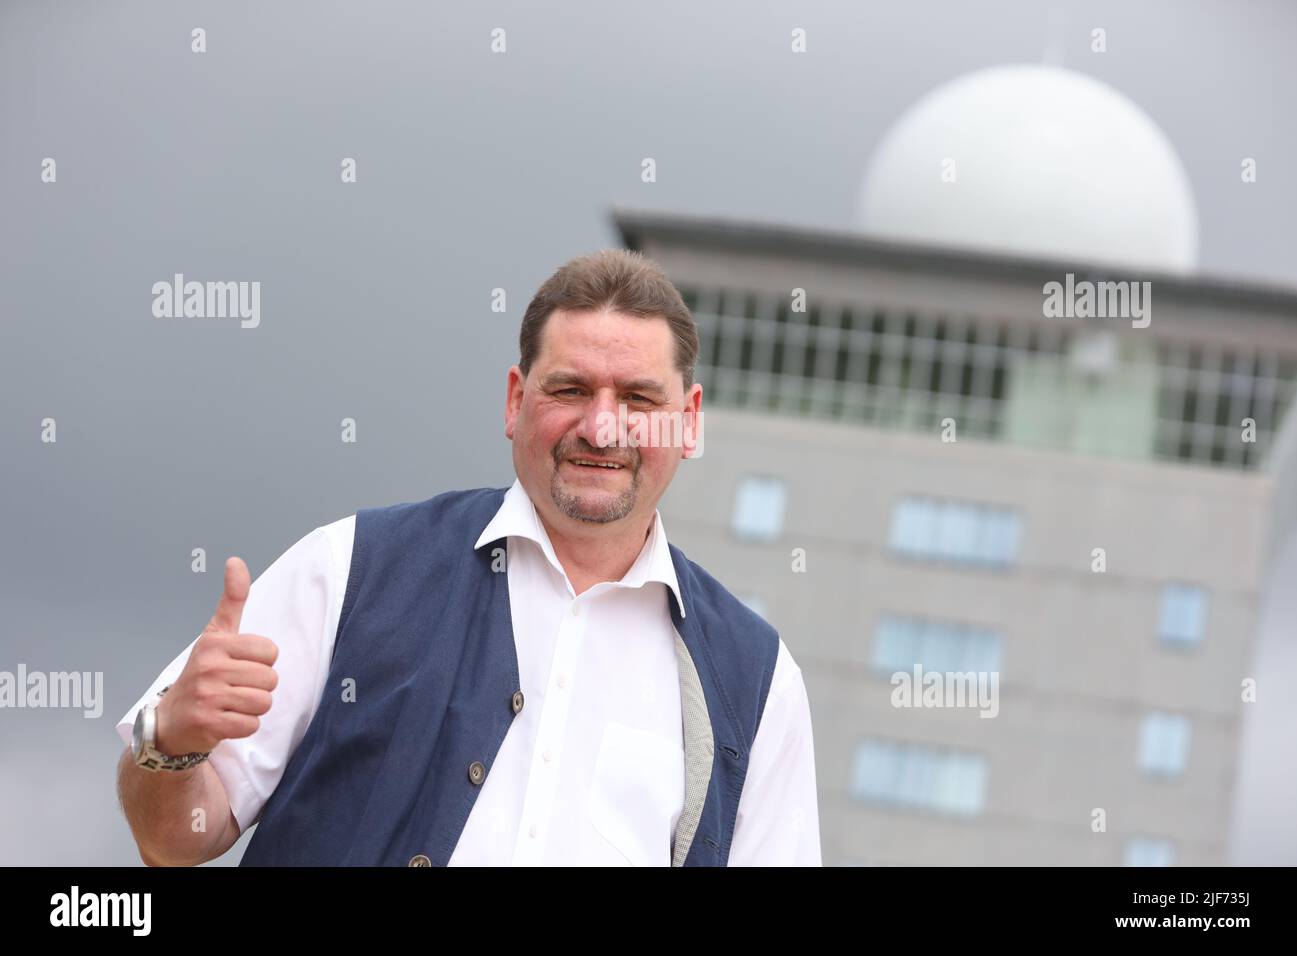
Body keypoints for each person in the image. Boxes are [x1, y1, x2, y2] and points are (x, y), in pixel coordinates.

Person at [115, 248, 821, 866]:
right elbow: (174, 841)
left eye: (638, 398)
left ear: (688, 421)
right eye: (570, 390)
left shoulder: (758, 683)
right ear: (516, 401)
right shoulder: (352, 569)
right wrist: (170, 745)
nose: (602, 427)